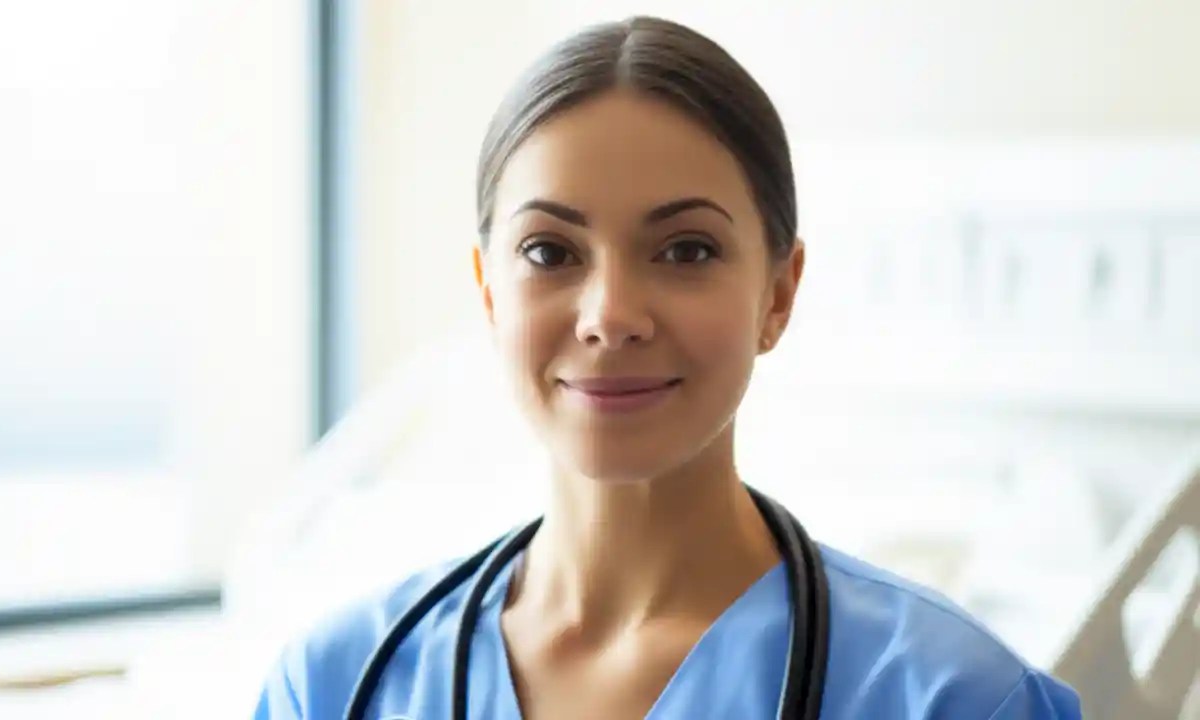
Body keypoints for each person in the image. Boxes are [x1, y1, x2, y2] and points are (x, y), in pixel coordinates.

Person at [253, 15, 1082, 719]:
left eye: (686, 250)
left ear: (779, 294)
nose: (611, 315)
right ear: (489, 292)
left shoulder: (950, 697)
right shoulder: (336, 686)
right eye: (549, 251)